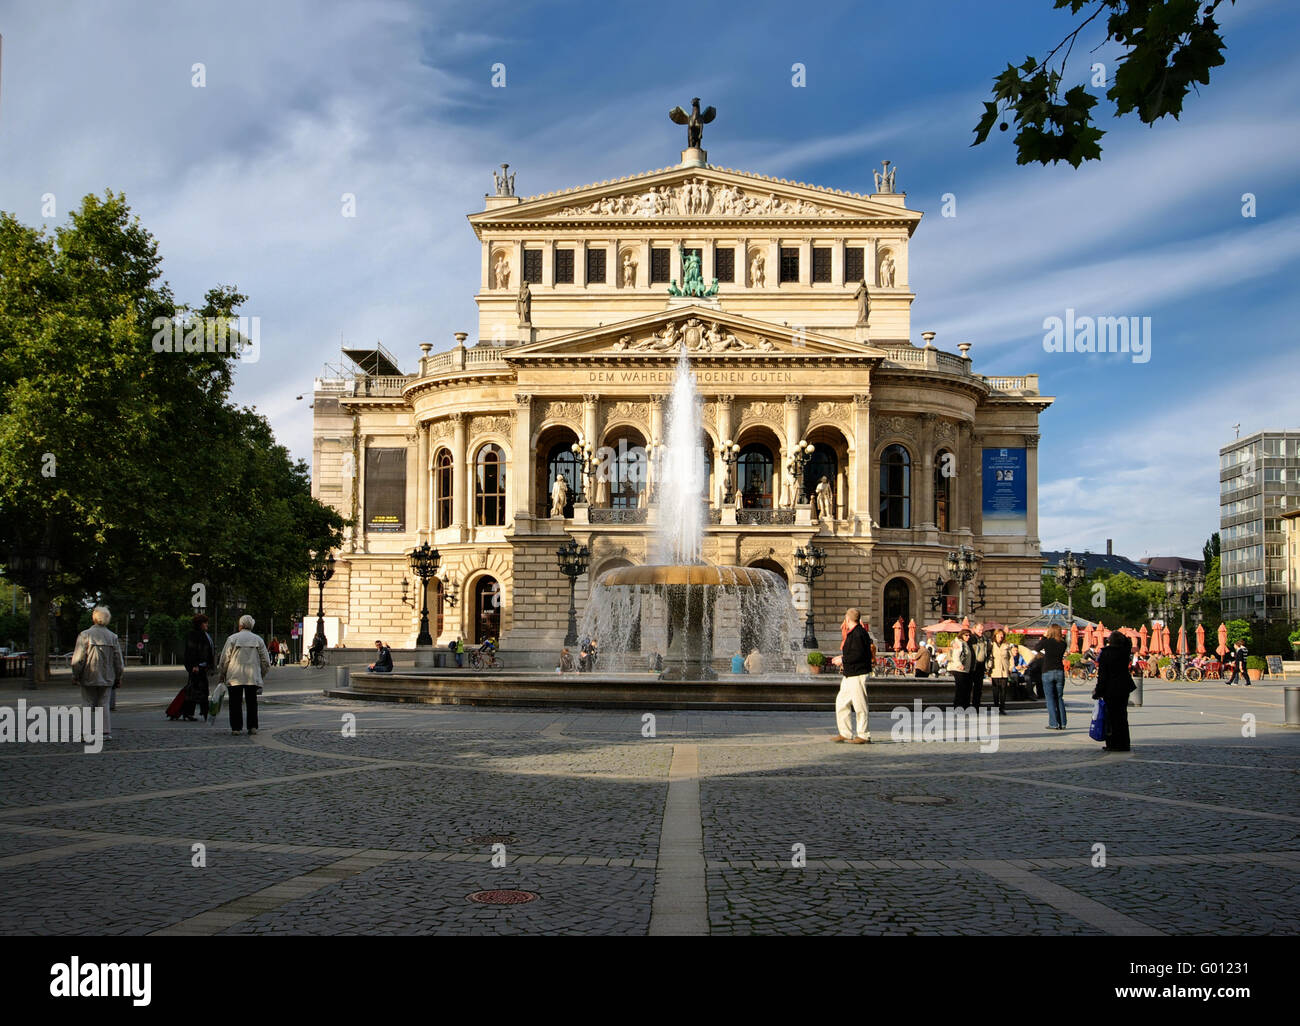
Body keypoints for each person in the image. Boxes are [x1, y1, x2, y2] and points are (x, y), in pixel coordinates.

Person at [71, 606, 125, 742]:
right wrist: (119, 676)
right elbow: (118, 660)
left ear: (94, 617)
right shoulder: (113, 637)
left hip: (89, 675)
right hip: (107, 676)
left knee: (87, 703)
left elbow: (78, 659)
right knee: (104, 703)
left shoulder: (85, 635)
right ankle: (105, 732)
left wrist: (76, 674)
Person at [218, 614, 271, 736]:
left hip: (234, 675)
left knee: (235, 702)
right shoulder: (258, 640)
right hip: (252, 676)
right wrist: (260, 675)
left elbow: (225, 658)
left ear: (240, 625)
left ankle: (236, 727)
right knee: (252, 702)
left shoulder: (232, 639)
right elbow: (266, 662)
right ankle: (252, 726)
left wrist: (222, 673)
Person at [829, 608, 873, 743]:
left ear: (847, 619)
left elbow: (858, 655)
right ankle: (845, 733)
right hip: (850, 674)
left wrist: (843, 659)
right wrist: (842, 657)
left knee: (860, 705)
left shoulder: (858, 633)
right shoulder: (855, 633)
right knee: (841, 702)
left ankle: (863, 735)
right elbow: (855, 653)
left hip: (857, 673)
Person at [1093, 630, 1137, 751]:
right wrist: (1122, 637)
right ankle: (1124, 743)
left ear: (1110, 641)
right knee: (1122, 716)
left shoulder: (1106, 653)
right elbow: (1128, 642)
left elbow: (1102, 675)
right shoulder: (1124, 652)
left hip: (1110, 688)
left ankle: (1112, 743)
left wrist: (1098, 691)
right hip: (1123, 687)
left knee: (1111, 717)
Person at [179, 613, 215, 721]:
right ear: (200, 624)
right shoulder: (194, 635)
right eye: (205, 622)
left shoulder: (202, 634)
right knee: (198, 690)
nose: (207, 624)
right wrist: (193, 665)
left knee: (195, 690)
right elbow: (191, 651)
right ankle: (202, 712)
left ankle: (191, 712)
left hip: (201, 666)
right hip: (197, 667)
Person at [1035, 625, 1069, 729]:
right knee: (1059, 697)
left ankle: (1053, 723)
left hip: (1048, 671)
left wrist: (1044, 637)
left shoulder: (1047, 642)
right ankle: (1062, 723)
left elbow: (1036, 648)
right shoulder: (1063, 643)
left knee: (1050, 698)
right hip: (1059, 671)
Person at [988, 628, 1016, 715]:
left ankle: (1002, 707)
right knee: (995, 690)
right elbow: (988, 656)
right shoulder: (991, 644)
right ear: (995, 635)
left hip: (1004, 670)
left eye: (1002, 634)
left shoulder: (1006, 645)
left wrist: (1011, 667)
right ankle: (996, 707)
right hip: (995, 670)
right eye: (999, 634)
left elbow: (1010, 657)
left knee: (1003, 690)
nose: (1001, 636)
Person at [949, 629, 974, 707]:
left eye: (969, 635)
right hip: (959, 669)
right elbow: (956, 655)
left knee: (965, 689)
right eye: (966, 635)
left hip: (965, 670)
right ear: (961, 635)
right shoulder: (959, 643)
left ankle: (963, 706)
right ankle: (958, 707)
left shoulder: (966, 643)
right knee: (960, 689)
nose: (968, 637)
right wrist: (959, 664)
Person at [969, 624, 990, 708]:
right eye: (979, 630)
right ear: (974, 629)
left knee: (978, 687)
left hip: (981, 666)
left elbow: (988, 651)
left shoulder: (984, 639)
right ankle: (966, 705)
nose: (981, 632)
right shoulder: (971, 638)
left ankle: (976, 705)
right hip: (972, 665)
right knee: (969, 686)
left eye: (982, 630)